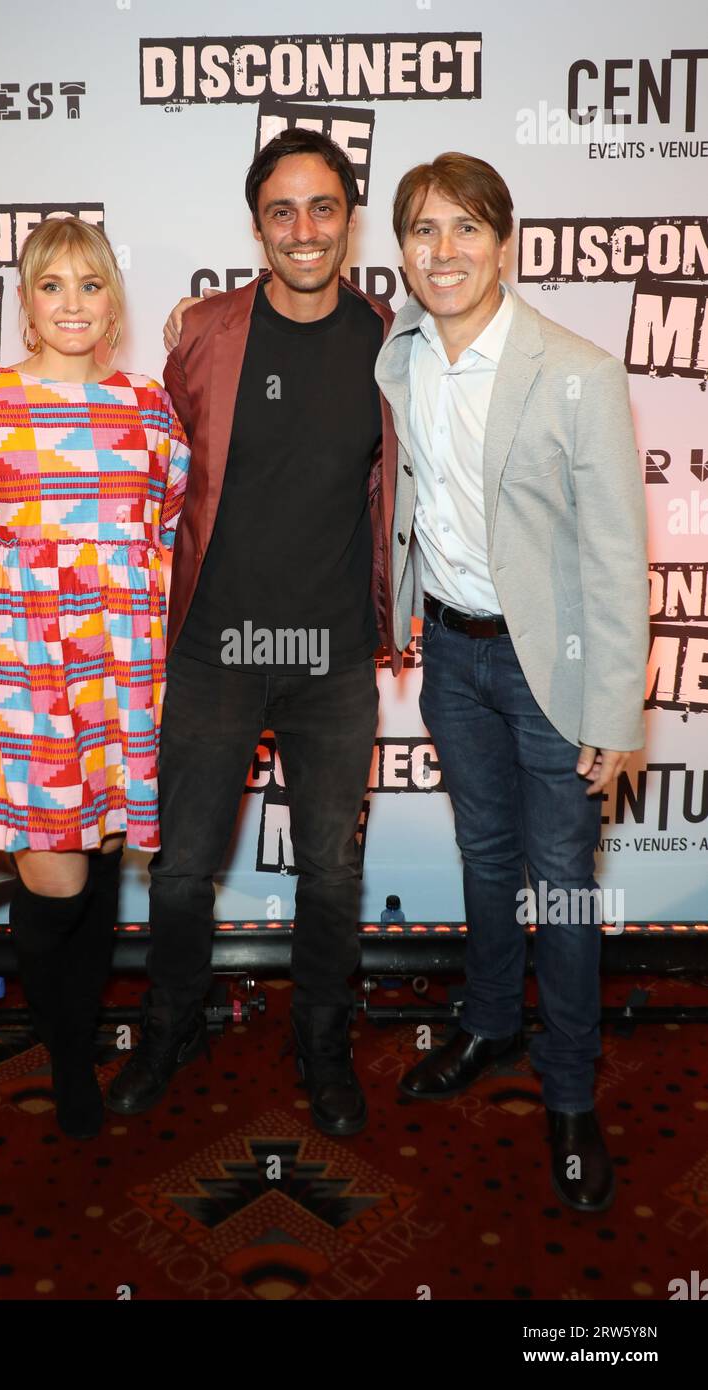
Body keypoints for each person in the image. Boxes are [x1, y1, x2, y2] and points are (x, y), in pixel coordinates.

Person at [106, 129, 400, 1137]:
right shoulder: (205, 336)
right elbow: (151, 473)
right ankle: (170, 1024)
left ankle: (320, 1040)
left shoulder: (386, 338)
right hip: (213, 650)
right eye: (282, 210)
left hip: (329, 659)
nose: (304, 229)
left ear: (348, 219)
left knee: (329, 868)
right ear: (256, 224)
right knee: (182, 865)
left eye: (323, 208)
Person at [375, 152, 649, 1210]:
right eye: (421, 231)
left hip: (554, 668)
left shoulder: (574, 369)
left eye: (463, 230)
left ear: (504, 241)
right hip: (448, 652)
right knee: (483, 859)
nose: (442, 253)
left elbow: (618, 554)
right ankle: (489, 1025)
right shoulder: (395, 359)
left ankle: (570, 1094)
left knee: (563, 881)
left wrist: (616, 709)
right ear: (399, 249)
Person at [0, 216, 190, 1139]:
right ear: (25, 303)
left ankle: (75, 1030)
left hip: (119, 674)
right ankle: (70, 1052)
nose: (74, 303)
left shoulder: (150, 409)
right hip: (16, 678)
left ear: (114, 301)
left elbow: (166, 531)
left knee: (104, 857)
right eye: (52, 285)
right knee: (54, 878)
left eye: (92, 284)